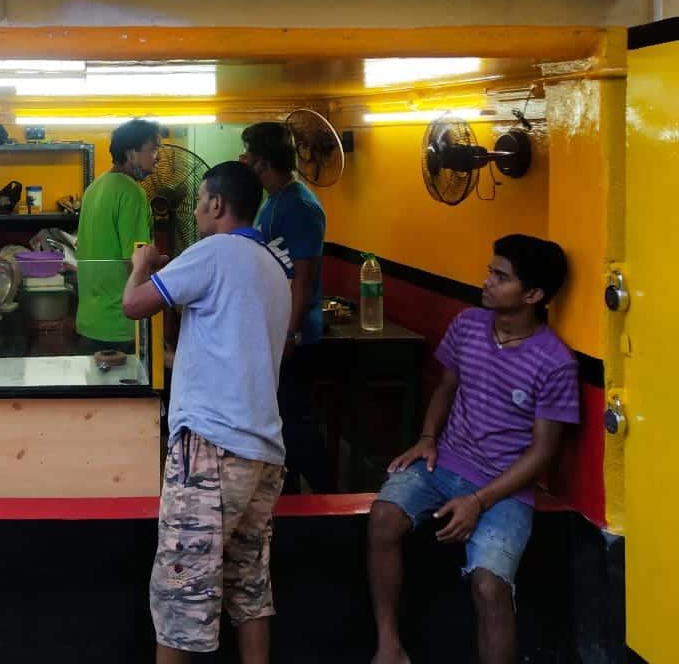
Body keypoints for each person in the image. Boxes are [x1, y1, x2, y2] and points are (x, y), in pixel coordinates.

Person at [368, 235, 579, 664]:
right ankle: (389, 646)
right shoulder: (467, 325)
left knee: (489, 585)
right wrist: (427, 438)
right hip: (444, 461)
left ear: (534, 294)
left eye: (500, 277)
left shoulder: (555, 361)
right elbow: (447, 388)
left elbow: (542, 454)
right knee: (383, 517)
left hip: (505, 488)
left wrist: (479, 500)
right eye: (490, 271)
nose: (486, 282)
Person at [122, 161, 292, 664]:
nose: (195, 213)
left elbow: (134, 305)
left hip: (212, 449)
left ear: (216, 204)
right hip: (263, 450)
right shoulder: (271, 266)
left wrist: (143, 263)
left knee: (180, 590)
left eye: (199, 204)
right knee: (249, 582)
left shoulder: (213, 252)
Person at [241, 121, 333, 494]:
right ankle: (289, 488)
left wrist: (291, 332)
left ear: (262, 161)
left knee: (293, 418)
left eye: (247, 152)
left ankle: (327, 493)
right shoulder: (274, 200)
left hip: (292, 332)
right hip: (273, 329)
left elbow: (304, 277)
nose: (242, 158)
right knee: (279, 416)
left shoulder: (300, 206)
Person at [74, 118, 159, 355]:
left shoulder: (93, 188)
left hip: (89, 322)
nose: (158, 156)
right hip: (122, 326)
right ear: (131, 154)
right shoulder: (132, 192)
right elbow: (134, 261)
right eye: (152, 149)